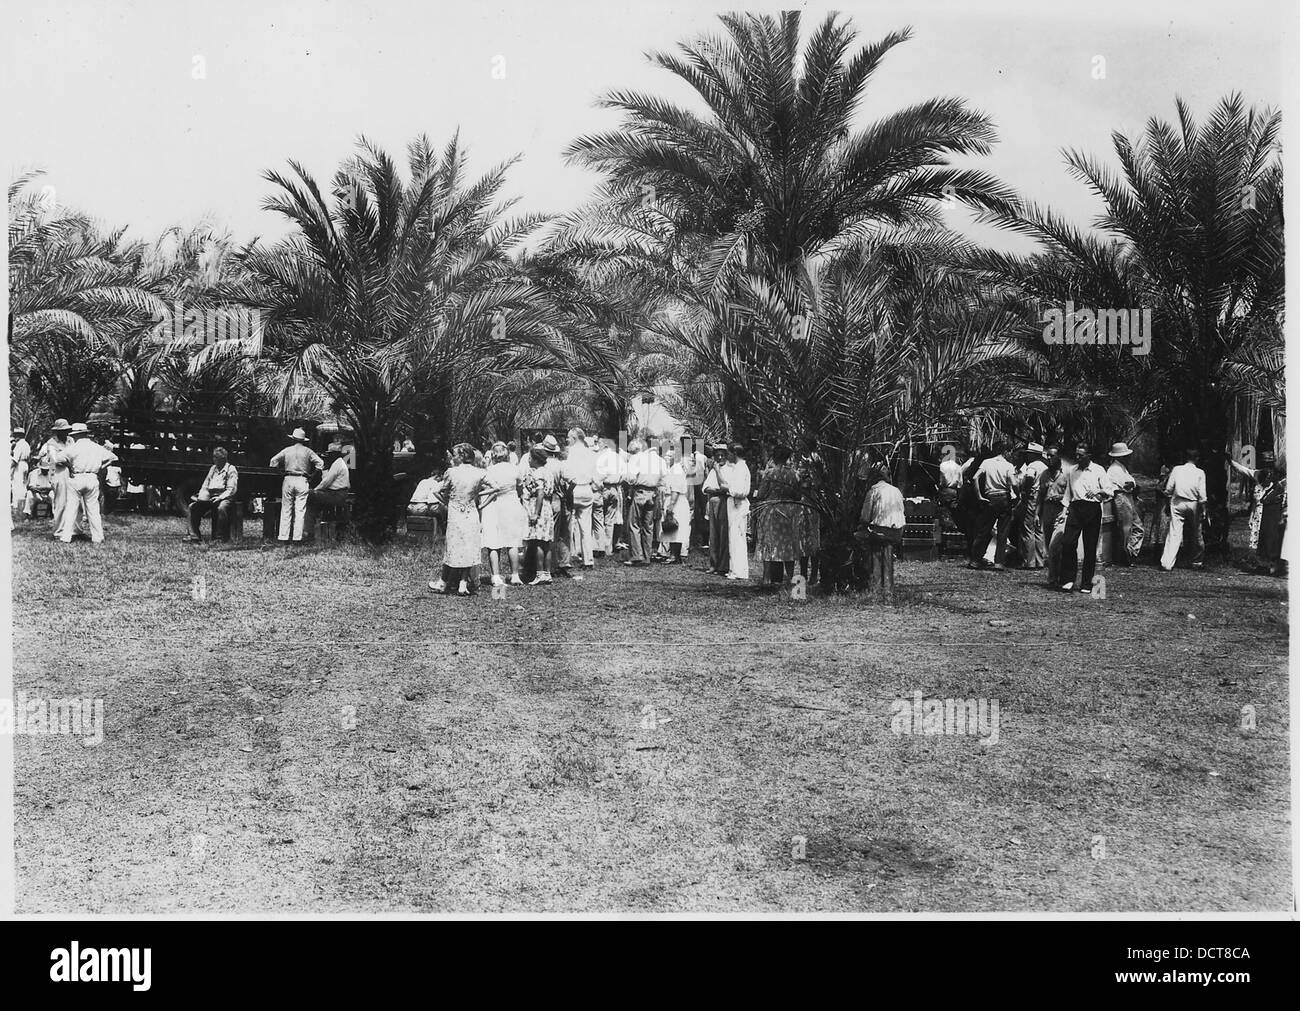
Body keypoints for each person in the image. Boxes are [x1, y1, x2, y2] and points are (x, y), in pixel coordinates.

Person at [426, 443, 486, 596]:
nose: (453, 457)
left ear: (462, 456)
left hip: (455, 511)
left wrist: (447, 501)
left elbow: (439, 491)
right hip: (470, 511)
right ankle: (462, 583)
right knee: (468, 544)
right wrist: (478, 497)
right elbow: (496, 487)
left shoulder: (451, 472)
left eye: (455, 454)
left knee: (453, 544)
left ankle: (444, 582)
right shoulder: (479, 473)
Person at [1057, 443, 1115, 592]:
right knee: (1068, 542)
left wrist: (1097, 491)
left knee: (1090, 547)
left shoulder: (1098, 470)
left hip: (1092, 508)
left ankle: (1086, 584)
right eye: (1076, 454)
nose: (1077, 457)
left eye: (1080, 455)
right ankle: (1068, 579)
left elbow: (1109, 491)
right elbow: (1068, 493)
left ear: (1088, 455)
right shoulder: (1072, 470)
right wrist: (1064, 510)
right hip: (1075, 508)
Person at [752, 444, 805, 585]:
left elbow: (762, 493)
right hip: (789, 511)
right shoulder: (795, 474)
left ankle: (767, 578)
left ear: (775, 457)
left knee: (769, 543)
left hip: (772, 510)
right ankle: (790, 579)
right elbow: (798, 496)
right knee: (788, 545)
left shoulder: (770, 474)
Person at [56, 423, 117, 544]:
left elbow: (57, 459)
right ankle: (98, 537)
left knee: (71, 508)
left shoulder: (73, 448)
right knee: (93, 509)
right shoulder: (96, 447)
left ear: (76, 435)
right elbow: (113, 458)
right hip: (92, 477)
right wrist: (101, 468)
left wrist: (69, 466)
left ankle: (66, 537)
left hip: (77, 477)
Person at [479, 442, 527, 586]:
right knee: (512, 540)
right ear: (506, 454)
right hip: (511, 503)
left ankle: (496, 576)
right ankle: (515, 575)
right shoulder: (514, 469)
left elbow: (486, 487)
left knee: (494, 542)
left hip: (493, 504)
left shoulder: (489, 470)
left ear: (493, 455)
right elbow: (520, 486)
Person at [855, 466, 905, 602]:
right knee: (885, 546)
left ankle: (876, 586)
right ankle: (888, 588)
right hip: (896, 532)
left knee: (867, 541)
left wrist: (861, 525)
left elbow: (865, 517)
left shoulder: (873, 490)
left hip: (879, 532)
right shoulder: (896, 491)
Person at [969, 442, 1018, 570]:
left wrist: (979, 495)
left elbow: (974, 477)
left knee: (983, 530)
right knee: (1003, 532)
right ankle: (999, 562)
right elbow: (1014, 483)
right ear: (1005, 452)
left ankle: (975, 560)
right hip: (1004, 498)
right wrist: (1017, 495)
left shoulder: (986, 462)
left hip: (990, 498)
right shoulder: (1008, 465)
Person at [269, 428, 323, 544]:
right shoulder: (308, 451)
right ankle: (297, 538)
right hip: (302, 479)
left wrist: (281, 473)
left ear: (293, 439)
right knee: (300, 510)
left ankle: (283, 537)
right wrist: (312, 476)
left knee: (286, 508)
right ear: (304, 440)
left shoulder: (287, 450)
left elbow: (273, 461)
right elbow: (320, 464)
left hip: (288, 478)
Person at [1160, 448, 1208, 571]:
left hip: (1177, 502)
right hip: (1193, 503)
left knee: (1174, 532)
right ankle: (1196, 561)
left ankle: (1167, 563)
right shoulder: (1200, 472)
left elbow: (1169, 489)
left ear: (1185, 458)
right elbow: (1202, 494)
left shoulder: (1176, 469)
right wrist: (1204, 509)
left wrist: (1167, 503)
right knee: (1196, 532)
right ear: (1197, 459)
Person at [623, 438, 665, 566]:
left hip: (640, 492)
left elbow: (630, 477)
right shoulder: (660, 460)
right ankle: (647, 556)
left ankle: (636, 555)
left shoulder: (638, 459)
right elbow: (664, 477)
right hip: (653, 493)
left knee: (634, 524)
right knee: (648, 526)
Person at [185, 447, 239, 543]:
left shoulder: (231, 469)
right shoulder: (213, 468)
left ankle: (219, 537)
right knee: (192, 507)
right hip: (210, 496)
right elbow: (205, 485)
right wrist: (201, 498)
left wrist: (219, 498)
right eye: (214, 457)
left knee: (221, 508)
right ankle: (194, 536)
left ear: (223, 459)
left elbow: (231, 490)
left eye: (216, 458)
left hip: (225, 497)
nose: (214, 459)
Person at [563, 427, 598, 570]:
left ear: (575, 438)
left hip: (574, 489)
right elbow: (596, 473)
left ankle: (567, 558)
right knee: (586, 527)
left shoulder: (571, 452)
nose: (567, 440)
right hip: (587, 489)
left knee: (568, 526)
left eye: (569, 438)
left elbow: (567, 472)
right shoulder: (590, 453)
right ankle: (588, 560)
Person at [521, 447, 556, 585]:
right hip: (547, 507)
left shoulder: (538, 473)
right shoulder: (549, 472)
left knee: (539, 541)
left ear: (535, 459)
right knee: (546, 541)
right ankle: (547, 573)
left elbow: (540, 493)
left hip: (539, 506)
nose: (528, 460)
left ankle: (540, 572)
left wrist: (535, 512)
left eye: (530, 458)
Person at [1105, 442, 1144, 565]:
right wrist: (1132, 485)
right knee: (1125, 528)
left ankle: (1130, 552)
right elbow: (1127, 484)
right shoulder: (1114, 469)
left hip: (1127, 496)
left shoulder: (1122, 468)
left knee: (1137, 526)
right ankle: (1125, 556)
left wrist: (1132, 484)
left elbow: (1132, 482)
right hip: (1121, 497)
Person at [304, 443, 351, 538]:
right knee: (312, 504)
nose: (328, 456)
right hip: (334, 493)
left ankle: (308, 531)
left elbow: (326, 482)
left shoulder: (338, 464)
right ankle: (308, 531)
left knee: (309, 494)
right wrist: (324, 469)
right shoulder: (336, 463)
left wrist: (314, 491)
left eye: (330, 454)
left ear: (335, 454)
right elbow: (326, 480)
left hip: (337, 495)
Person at [794, 435, 824, 584]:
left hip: (811, 504)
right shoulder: (804, 459)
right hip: (806, 504)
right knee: (806, 541)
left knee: (811, 541)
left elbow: (814, 482)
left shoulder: (814, 459)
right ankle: (806, 574)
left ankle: (811, 575)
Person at [1014, 443, 1048, 568]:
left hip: (1032, 498)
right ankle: (1040, 560)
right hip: (1042, 499)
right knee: (1039, 530)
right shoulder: (1045, 467)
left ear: (1033, 455)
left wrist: (1024, 493)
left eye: (1028, 454)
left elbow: (1029, 479)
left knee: (1028, 530)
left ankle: (1029, 561)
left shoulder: (1032, 466)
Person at [721, 443, 752, 580]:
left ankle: (738, 571)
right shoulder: (739, 467)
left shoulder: (740, 468)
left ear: (734, 453)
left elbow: (739, 490)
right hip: (734, 503)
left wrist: (727, 488)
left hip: (738, 503)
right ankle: (735, 568)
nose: (727, 456)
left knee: (737, 536)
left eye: (729, 453)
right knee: (734, 536)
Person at [660, 444, 692, 564]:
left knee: (675, 527)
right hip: (673, 498)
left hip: (677, 500)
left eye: (670, 456)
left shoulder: (677, 469)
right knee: (672, 527)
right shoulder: (672, 468)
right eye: (666, 456)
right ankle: (673, 554)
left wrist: (671, 504)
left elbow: (676, 488)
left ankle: (674, 555)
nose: (667, 458)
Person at [702, 443, 731, 574]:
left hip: (724, 502)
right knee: (713, 534)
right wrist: (716, 490)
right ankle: (713, 564)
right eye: (717, 455)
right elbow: (706, 488)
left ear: (726, 456)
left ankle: (723, 565)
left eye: (722, 455)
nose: (719, 458)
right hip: (713, 501)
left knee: (723, 534)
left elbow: (726, 487)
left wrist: (719, 490)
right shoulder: (713, 470)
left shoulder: (730, 469)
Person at [11, 426, 31, 514]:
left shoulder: (19, 445)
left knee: (17, 484)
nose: (15, 437)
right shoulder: (26, 444)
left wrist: (10, 469)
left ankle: (17, 505)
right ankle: (22, 504)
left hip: (20, 464)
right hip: (26, 464)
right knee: (23, 485)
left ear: (18, 435)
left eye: (15, 435)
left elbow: (15, 460)